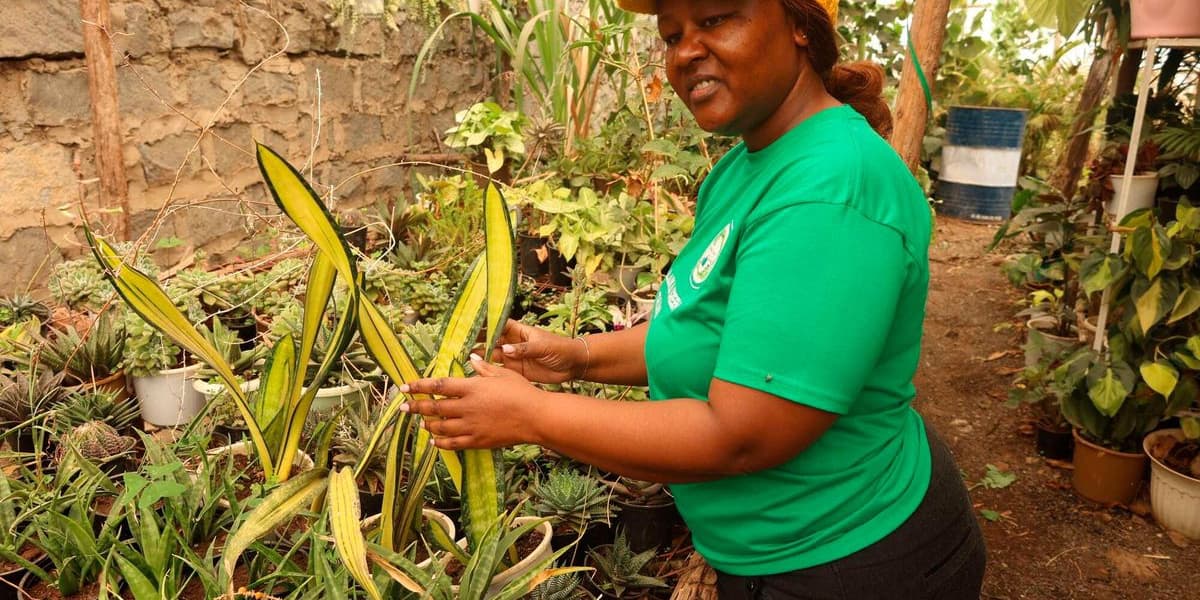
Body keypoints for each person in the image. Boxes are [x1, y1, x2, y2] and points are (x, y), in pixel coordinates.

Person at [398, 0, 987, 597]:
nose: (685, 51)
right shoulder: (745, 165)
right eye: (671, 34)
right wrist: (576, 356)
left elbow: (744, 434)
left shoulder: (830, 188)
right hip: (775, 551)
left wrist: (531, 415)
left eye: (716, 19)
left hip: (846, 559)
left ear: (801, 26)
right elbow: (708, 332)